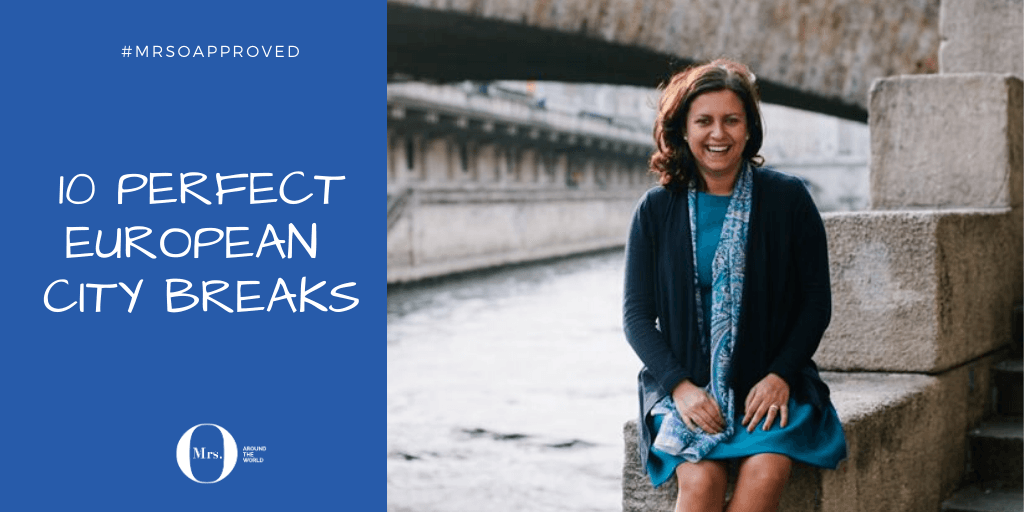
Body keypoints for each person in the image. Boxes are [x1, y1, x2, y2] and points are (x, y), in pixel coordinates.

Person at [623, 59, 847, 512]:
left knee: (766, 470)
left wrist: (781, 374)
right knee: (702, 481)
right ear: (683, 130)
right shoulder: (655, 210)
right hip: (683, 384)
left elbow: (815, 304)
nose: (718, 134)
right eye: (704, 121)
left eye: (731, 120)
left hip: (769, 381)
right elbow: (636, 316)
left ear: (749, 129)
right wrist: (680, 387)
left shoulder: (789, 200)